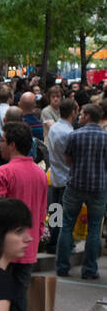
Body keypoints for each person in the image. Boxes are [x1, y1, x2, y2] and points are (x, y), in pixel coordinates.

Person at [0, 122, 46, 311]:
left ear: (11, 144)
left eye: (1, 140)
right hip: (28, 247)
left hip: (2, 249)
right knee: (19, 301)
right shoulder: (40, 173)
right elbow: (41, 212)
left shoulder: (3, 173)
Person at [56, 103, 107, 279]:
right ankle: (89, 270)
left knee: (67, 224)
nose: (79, 116)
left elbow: (68, 160)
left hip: (75, 185)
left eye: (82, 114)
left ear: (87, 116)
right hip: (98, 187)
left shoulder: (74, 135)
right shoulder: (105, 136)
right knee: (94, 229)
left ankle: (62, 267)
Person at [45, 98, 76, 253]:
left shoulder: (55, 128)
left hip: (55, 176)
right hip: (66, 178)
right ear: (73, 112)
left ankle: (52, 241)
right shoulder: (69, 133)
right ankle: (62, 244)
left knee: (55, 212)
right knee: (64, 215)